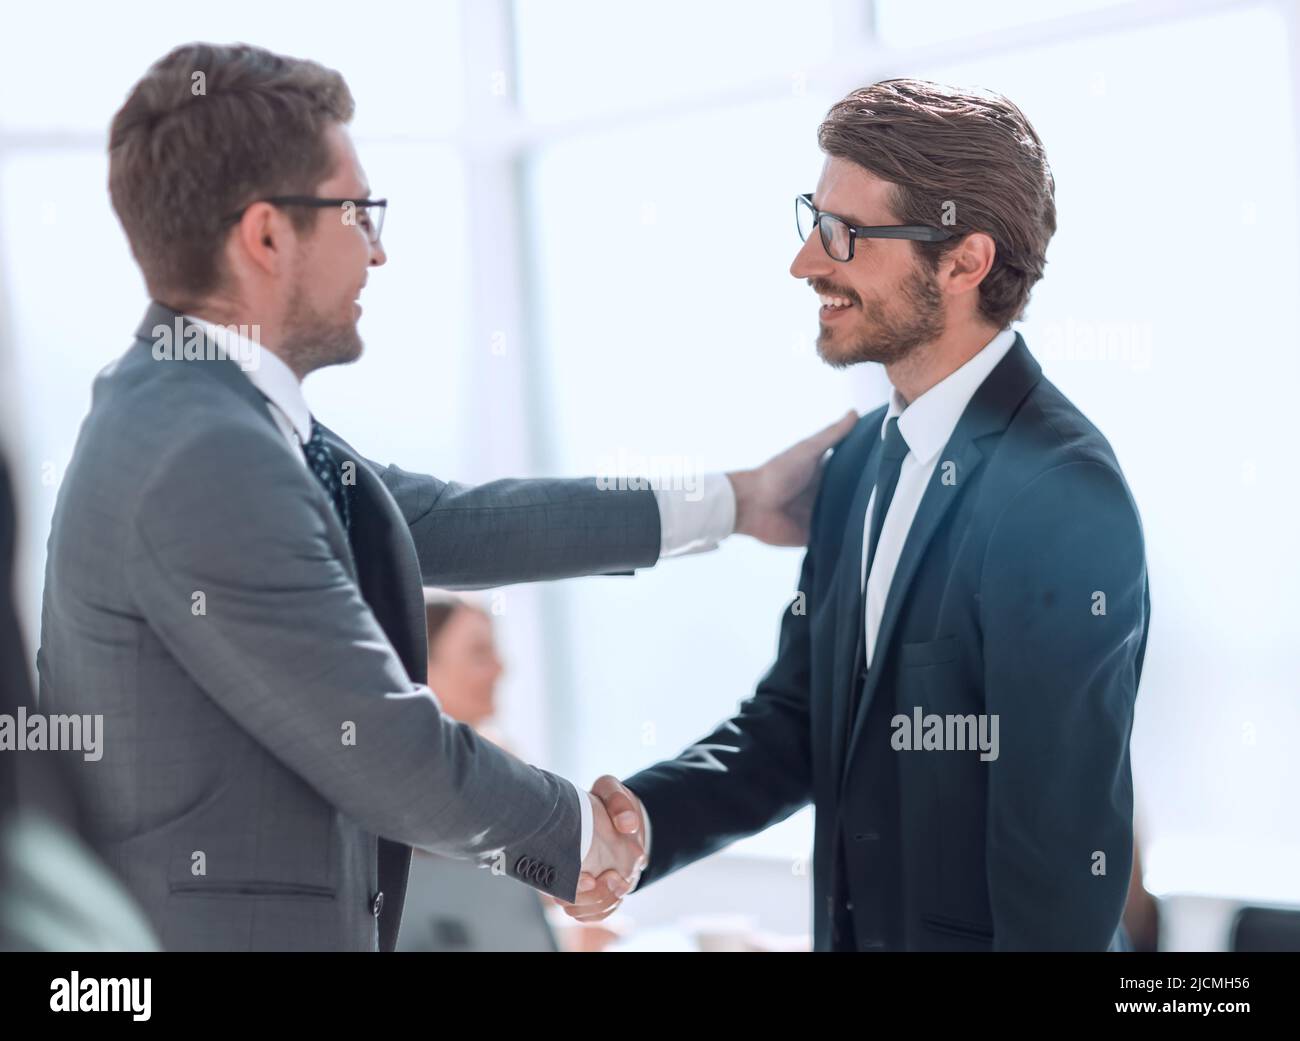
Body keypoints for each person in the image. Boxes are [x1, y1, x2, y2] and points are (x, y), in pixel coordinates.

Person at [36, 42, 853, 952]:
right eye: (360, 214)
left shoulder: (204, 409)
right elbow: (381, 741)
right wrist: (578, 837)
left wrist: (742, 501)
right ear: (267, 236)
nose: (379, 251)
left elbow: (439, 522)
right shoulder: (202, 449)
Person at [574, 79, 1151, 951]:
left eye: (844, 233)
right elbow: (798, 723)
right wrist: (639, 823)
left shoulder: (1059, 491)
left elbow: (1059, 865)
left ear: (964, 262)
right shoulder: (851, 465)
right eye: (813, 218)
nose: (806, 261)